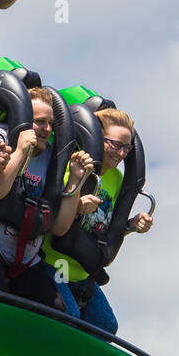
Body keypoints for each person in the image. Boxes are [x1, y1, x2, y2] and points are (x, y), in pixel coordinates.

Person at [0, 88, 92, 306]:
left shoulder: (52, 156)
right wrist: (21, 151)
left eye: (51, 124)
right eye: (40, 122)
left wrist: (76, 181)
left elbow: (59, 227)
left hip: (26, 259)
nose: (47, 129)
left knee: (55, 310)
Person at [41, 107, 151, 334]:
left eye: (127, 148)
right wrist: (77, 205)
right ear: (96, 137)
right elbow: (53, 215)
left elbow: (106, 225)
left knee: (106, 326)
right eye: (116, 145)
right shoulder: (74, 164)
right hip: (54, 263)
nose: (121, 154)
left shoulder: (118, 178)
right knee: (69, 318)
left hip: (83, 273)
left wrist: (131, 226)